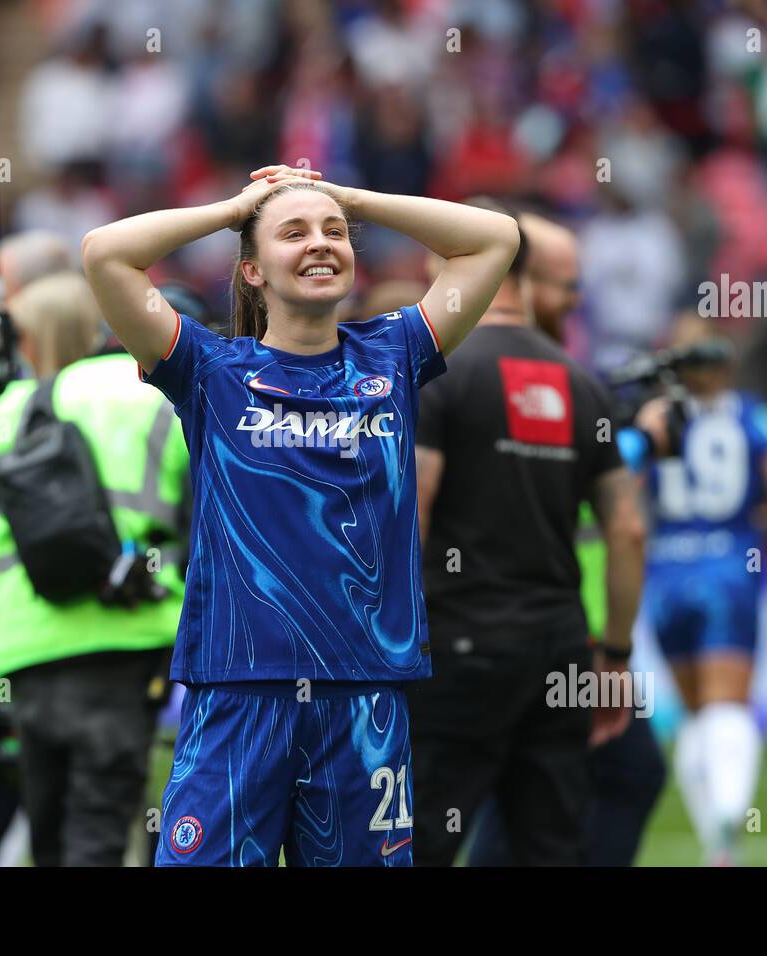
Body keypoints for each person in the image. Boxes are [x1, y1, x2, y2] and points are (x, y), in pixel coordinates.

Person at [81, 163, 520, 866]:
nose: (320, 242)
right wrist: (236, 209)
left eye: (336, 234)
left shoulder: (397, 353)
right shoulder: (207, 369)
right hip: (237, 688)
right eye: (294, 234)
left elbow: (495, 238)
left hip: (365, 693)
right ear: (252, 271)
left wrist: (344, 195)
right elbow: (106, 253)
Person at [409, 204, 646, 866]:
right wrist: (617, 659)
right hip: (560, 649)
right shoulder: (581, 383)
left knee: (417, 841)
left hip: (455, 646)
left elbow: (415, 507)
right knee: (549, 847)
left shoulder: (438, 373)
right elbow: (626, 529)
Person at [0, 272, 188, 866]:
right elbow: (208, 517)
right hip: (129, 635)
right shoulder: (165, 396)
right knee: (102, 823)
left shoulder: (12, 406)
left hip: (25, 646)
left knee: (49, 831)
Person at [634, 316, 767, 865]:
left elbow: (621, 489)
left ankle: (713, 839)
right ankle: (726, 833)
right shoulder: (752, 416)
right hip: (731, 571)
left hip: (664, 574)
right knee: (728, 706)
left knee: (695, 716)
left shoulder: (656, 418)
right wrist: (758, 517)